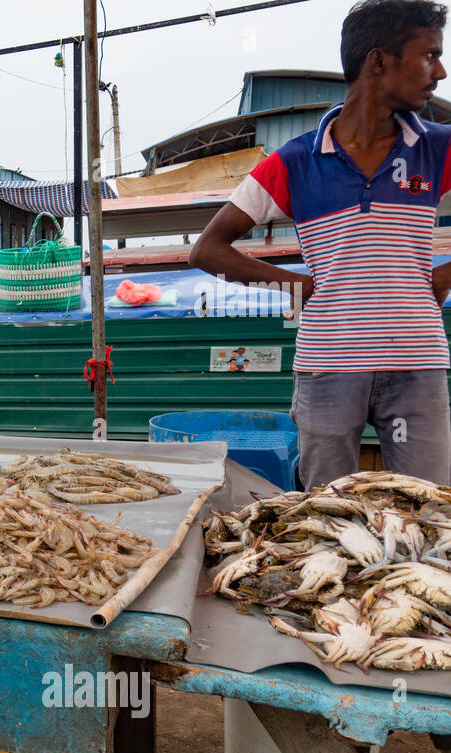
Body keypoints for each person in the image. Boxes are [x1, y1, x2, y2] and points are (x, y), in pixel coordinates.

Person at [191, 0, 451, 489]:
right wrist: (298, 286)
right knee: (327, 515)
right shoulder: (294, 162)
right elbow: (207, 249)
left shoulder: (438, 146)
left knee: (429, 512)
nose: (438, 72)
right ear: (379, 60)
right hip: (328, 365)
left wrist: (446, 274)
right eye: (428, 55)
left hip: (416, 363)